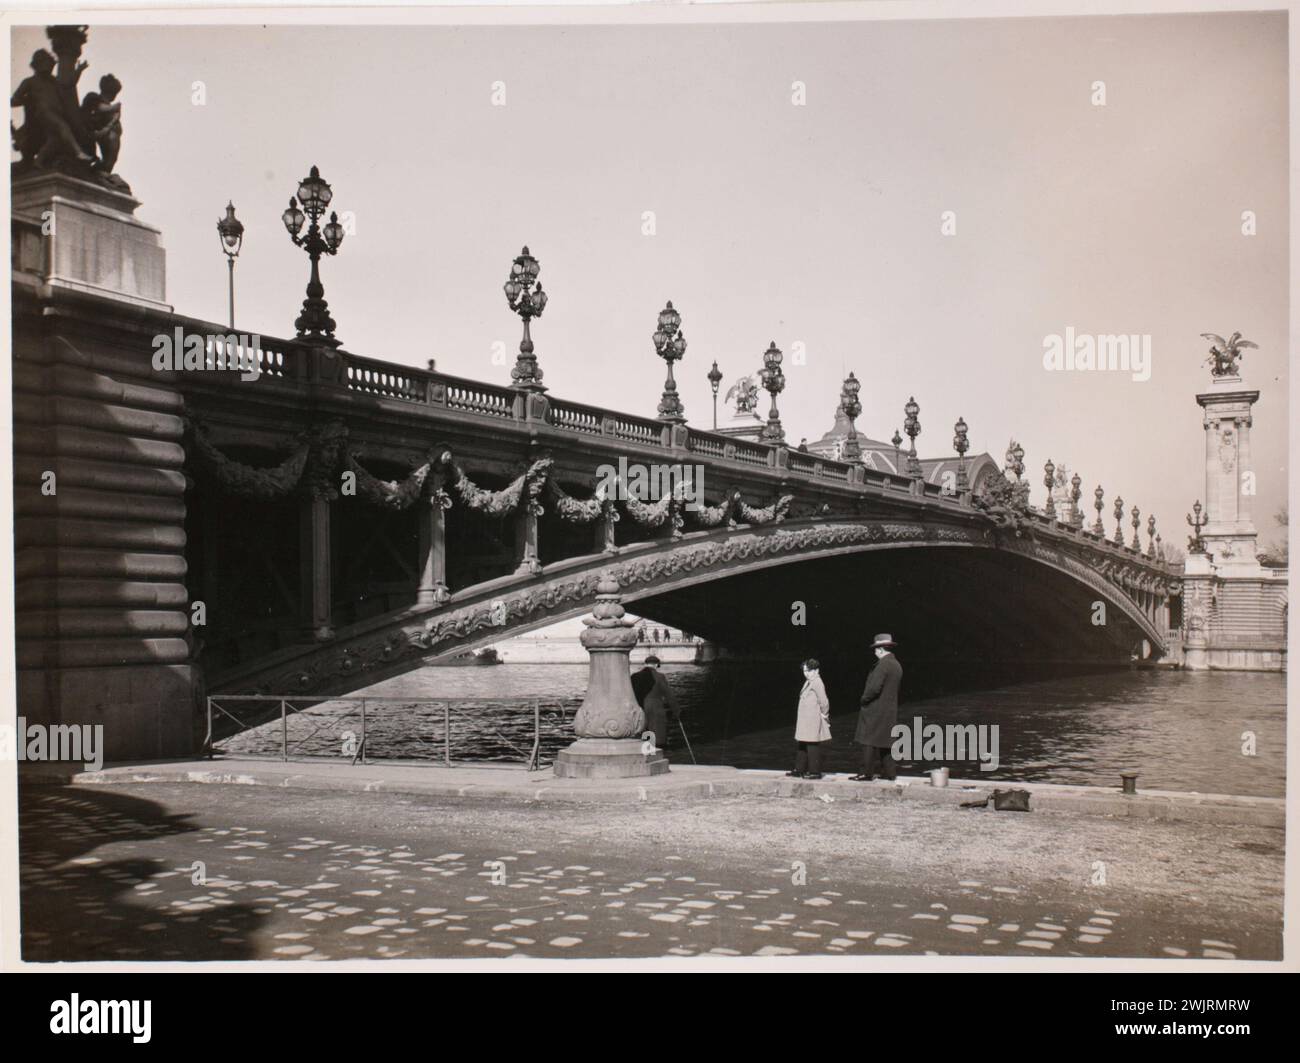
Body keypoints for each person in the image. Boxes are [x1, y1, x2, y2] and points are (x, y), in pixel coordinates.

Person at [852, 633, 902, 781]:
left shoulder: (882, 665)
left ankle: (866, 773)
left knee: (868, 740)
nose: (874, 652)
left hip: (875, 709)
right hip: (889, 710)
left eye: (875, 649)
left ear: (880, 649)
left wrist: (863, 699)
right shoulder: (896, 665)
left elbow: (874, 688)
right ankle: (889, 773)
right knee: (885, 741)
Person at [788, 658, 831, 779]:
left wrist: (824, 715)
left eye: (809, 671)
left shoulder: (817, 682)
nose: (806, 673)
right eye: (805, 670)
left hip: (812, 719)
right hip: (806, 719)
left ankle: (815, 771)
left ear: (816, 671)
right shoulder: (809, 681)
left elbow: (824, 701)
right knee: (802, 743)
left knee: (812, 744)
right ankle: (799, 769)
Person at [631, 654, 678, 751]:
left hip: (640, 706)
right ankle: (655, 754)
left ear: (645, 664)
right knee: (656, 732)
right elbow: (669, 695)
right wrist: (677, 711)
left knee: (643, 730)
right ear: (656, 665)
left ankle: (645, 752)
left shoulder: (634, 676)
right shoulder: (660, 677)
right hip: (655, 707)